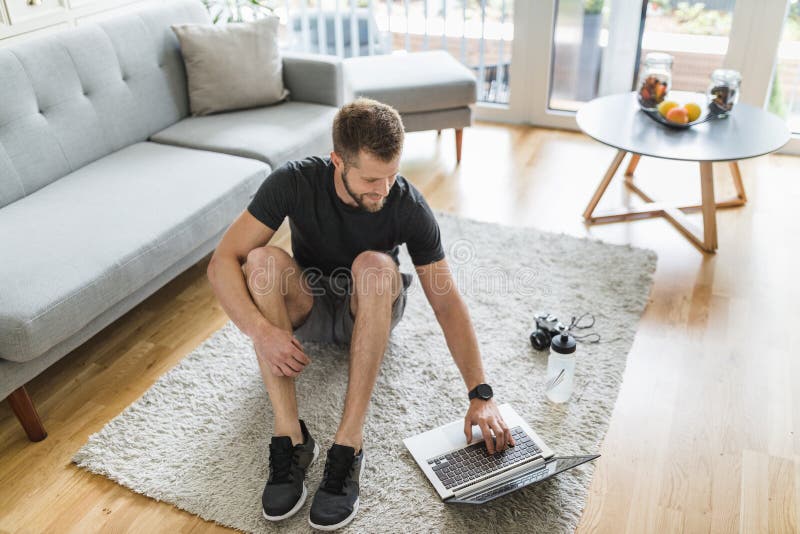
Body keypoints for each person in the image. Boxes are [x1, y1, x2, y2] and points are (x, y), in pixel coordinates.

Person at [207, 98, 514, 530]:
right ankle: (290, 436)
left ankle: (348, 445)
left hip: (370, 303)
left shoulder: (406, 203)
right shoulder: (293, 183)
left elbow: (445, 301)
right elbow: (222, 262)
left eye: (391, 176)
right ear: (338, 161)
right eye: (371, 179)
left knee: (373, 265)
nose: (383, 190)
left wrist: (482, 394)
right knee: (259, 261)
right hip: (309, 304)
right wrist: (259, 331)